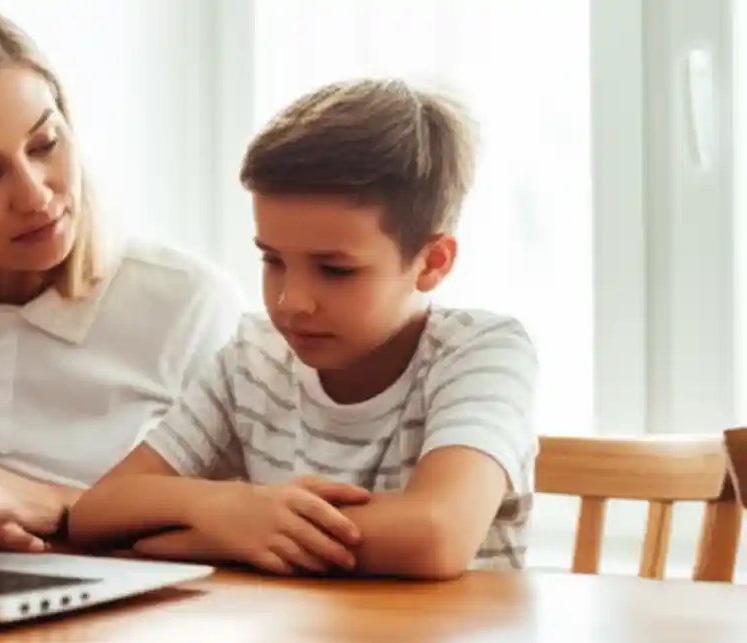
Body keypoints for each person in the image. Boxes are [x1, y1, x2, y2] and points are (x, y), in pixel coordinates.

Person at [70, 79, 538, 580]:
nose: (291, 301)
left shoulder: (483, 351)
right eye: (272, 260)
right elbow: (98, 513)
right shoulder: (253, 358)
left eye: (335, 270)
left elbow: (434, 536)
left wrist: (220, 535)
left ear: (432, 262)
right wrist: (225, 509)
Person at [0, 1, 243, 552]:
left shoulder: (187, 305)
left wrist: (50, 503)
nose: (36, 195)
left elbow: (241, 521)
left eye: (45, 145)